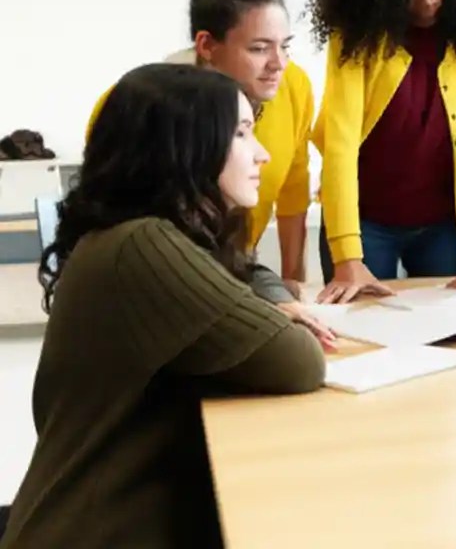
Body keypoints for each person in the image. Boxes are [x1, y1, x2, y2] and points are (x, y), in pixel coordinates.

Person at [1, 65, 326, 549]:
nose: (263, 154)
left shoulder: (158, 230)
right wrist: (267, 315)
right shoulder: (146, 244)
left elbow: (247, 271)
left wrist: (268, 302)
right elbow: (299, 361)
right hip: (97, 531)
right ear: (184, 148)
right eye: (240, 134)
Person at [86, 0, 315, 302]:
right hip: (158, 288)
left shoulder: (291, 87)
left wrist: (286, 288)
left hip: (224, 274)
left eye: (285, 46)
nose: (278, 64)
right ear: (206, 45)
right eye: (258, 48)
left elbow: (234, 254)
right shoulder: (143, 105)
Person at [308, 0, 456, 303]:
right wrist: (346, 253)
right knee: (366, 332)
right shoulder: (356, 39)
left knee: (454, 330)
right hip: (367, 224)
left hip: (440, 225)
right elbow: (338, 148)